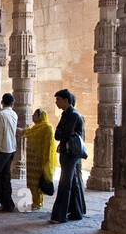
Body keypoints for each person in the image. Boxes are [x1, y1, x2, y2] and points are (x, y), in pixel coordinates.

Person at [50, 89, 87, 224]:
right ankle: (76, 212)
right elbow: (58, 134)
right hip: (69, 152)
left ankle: (60, 215)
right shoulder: (67, 114)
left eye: (58, 99)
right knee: (73, 182)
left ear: (66, 100)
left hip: (70, 153)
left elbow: (62, 134)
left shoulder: (72, 115)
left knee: (65, 183)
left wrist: (61, 132)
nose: (56, 102)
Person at [19, 107, 57, 212]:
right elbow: (25, 132)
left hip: (40, 159)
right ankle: (35, 201)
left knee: (39, 182)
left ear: (40, 116)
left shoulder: (47, 128)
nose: (32, 116)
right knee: (32, 182)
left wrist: (46, 160)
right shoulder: (35, 128)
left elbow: (49, 145)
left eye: (35, 115)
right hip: (32, 160)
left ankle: (38, 202)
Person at [0, 93, 19, 212]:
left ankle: (5, 202)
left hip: (2, 149)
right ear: (12, 103)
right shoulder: (13, 114)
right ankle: (8, 204)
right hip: (11, 148)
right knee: (6, 177)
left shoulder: (0, 115)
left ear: (2, 102)